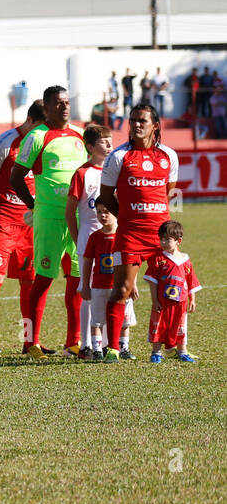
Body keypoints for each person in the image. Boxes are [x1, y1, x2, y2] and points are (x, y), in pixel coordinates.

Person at [98, 103, 178, 363]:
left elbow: (166, 193)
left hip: (161, 238)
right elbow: (106, 196)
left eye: (142, 120)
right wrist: (128, 217)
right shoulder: (118, 157)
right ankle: (112, 348)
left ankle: (172, 345)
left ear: (155, 125)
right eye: (133, 120)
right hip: (130, 236)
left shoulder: (168, 156)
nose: (136, 125)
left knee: (171, 291)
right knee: (122, 289)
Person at [11, 86, 87, 359]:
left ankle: (74, 342)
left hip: (79, 217)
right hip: (50, 217)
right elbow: (15, 177)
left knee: (77, 279)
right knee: (42, 279)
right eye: (58, 103)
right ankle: (31, 342)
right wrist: (34, 205)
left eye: (67, 101)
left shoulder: (80, 135)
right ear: (47, 106)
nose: (64, 107)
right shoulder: (36, 137)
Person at [0, 101, 45, 358]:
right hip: (3, 222)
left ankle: (29, 342)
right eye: (39, 126)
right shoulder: (6, 142)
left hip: (29, 223)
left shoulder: (42, 141)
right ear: (29, 120)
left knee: (30, 282)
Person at [65, 124, 114, 359]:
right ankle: (84, 344)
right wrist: (78, 240)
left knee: (110, 287)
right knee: (88, 291)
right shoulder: (82, 173)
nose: (109, 145)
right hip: (88, 237)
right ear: (91, 147)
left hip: (110, 240)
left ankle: (106, 343)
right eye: (104, 142)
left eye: (111, 141)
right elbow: (69, 212)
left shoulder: (113, 172)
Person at [79, 202, 133, 359]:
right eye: (99, 212)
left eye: (106, 211)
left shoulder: (124, 236)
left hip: (121, 287)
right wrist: (85, 285)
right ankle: (97, 349)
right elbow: (88, 262)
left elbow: (132, 263)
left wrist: (133, 284)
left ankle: (123, 348)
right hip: (99, 286)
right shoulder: (94, 237)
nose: (102, 215)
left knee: (124, 320)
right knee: (97, 320)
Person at [143, 220, 198, 363]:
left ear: (178, 241)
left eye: (167, 239)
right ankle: (156, 352)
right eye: (161, 239)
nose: (163, 242)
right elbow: (153, 282)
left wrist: (192, 299)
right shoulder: (159, 259)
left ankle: (182, 351)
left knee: (180, 327)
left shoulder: (185, 260)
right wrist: (155, 300)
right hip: (162, 302)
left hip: (180, 303)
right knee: (159, 325)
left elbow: (191, 281)